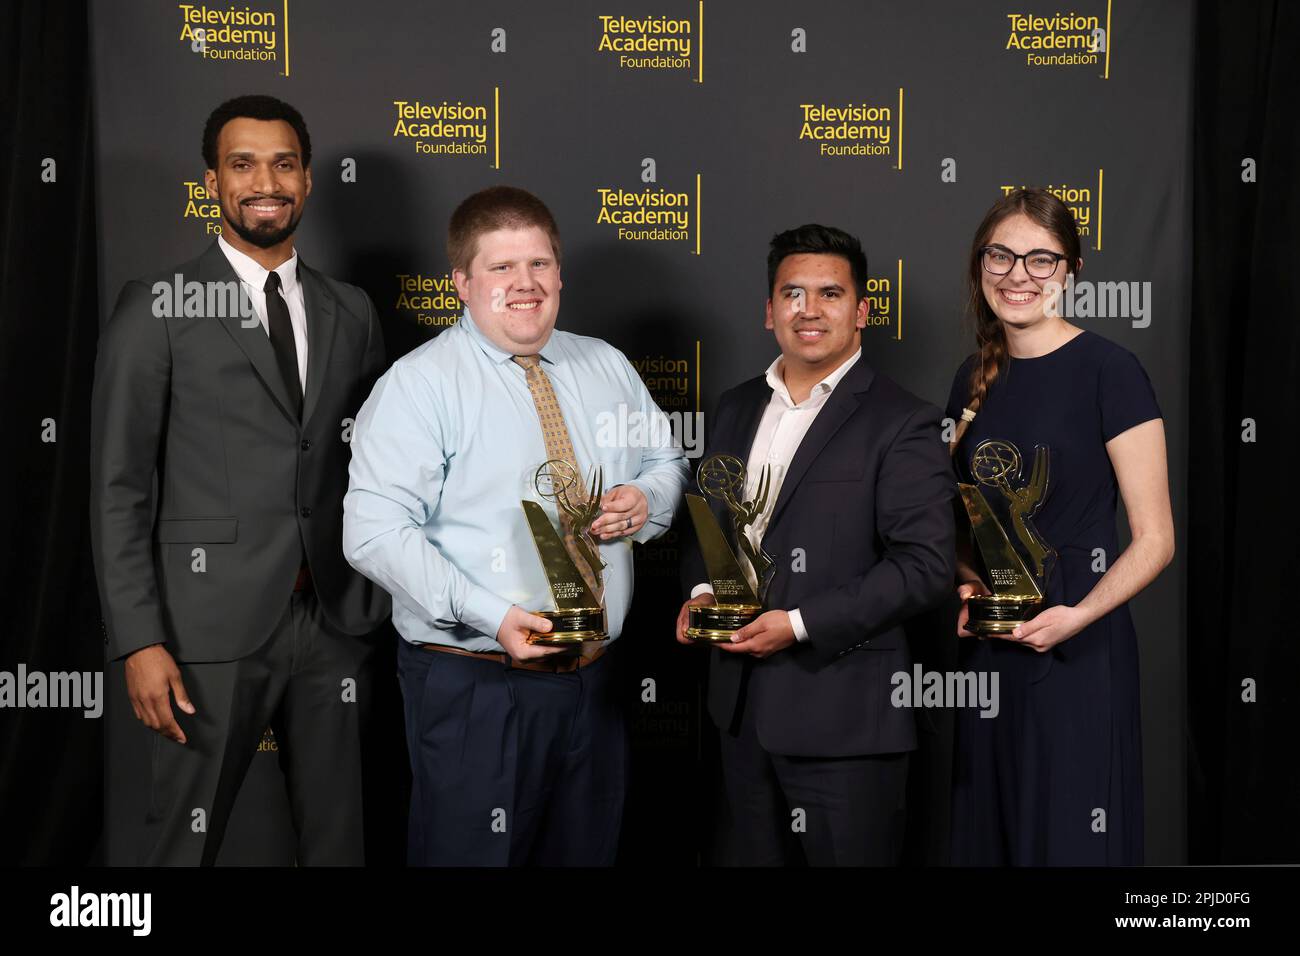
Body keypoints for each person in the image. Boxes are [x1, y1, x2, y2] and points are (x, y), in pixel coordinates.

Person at [343, 185, 688, 866]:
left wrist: (647, 500)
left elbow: (667, 459)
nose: (523, 284)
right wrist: (493, 613)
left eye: (537, 265)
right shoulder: (420, 386)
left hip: (594, 683)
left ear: (559, 275)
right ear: (462, 284)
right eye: (500, 268)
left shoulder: (607, 366)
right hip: (477, 685)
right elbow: (374, 533)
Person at [90, 94, 390, 865]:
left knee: (341, 847)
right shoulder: (156, 308)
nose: (267, 181)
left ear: (309, 180)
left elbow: (374, 468)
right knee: (181, 852)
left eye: (284, 164)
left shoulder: (351, 311)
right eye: (244, 163)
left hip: (334, 624)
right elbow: (118, 487)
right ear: (212, 181)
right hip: (203, 637)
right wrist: (139, 639)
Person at [676, 224, 956, 865]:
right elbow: (711, 527)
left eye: (830, 294)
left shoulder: (902, 419)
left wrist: (798, 624)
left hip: (847, 723)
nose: (809, 310)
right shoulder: (736, 405)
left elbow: (925, 566)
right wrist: (699, 593)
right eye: (792, 293)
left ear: (862, 311)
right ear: (769, 309)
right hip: (739, 715)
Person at [946, 187, 1175, 865]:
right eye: (1002, 256)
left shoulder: (1112, 372)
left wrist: (1076, 617)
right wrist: (965, 588)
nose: (1018, 275)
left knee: (1071, 838)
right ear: (980, 265)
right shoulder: (969, 379)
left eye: (1040, 260)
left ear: (1070, 272)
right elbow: (963, 528)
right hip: (990, 657)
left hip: (1079, 651)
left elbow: (1156, 537)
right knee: (994, 836)